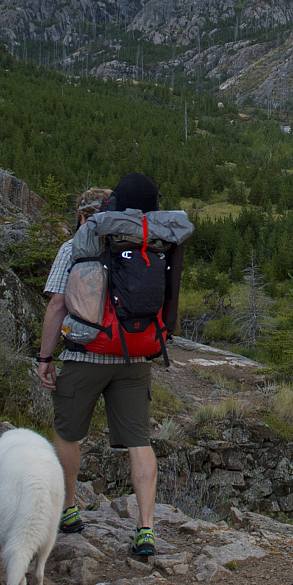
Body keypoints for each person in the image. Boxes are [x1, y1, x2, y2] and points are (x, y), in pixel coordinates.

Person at [36, 172, 183, 556]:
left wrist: (45, 356)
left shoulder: (76, 245)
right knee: (140, 442)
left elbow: (56, 305)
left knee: (68, 434)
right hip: (135, 356)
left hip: (86, 353)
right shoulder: (153, 243)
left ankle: (67, 510)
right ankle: (146, 529)